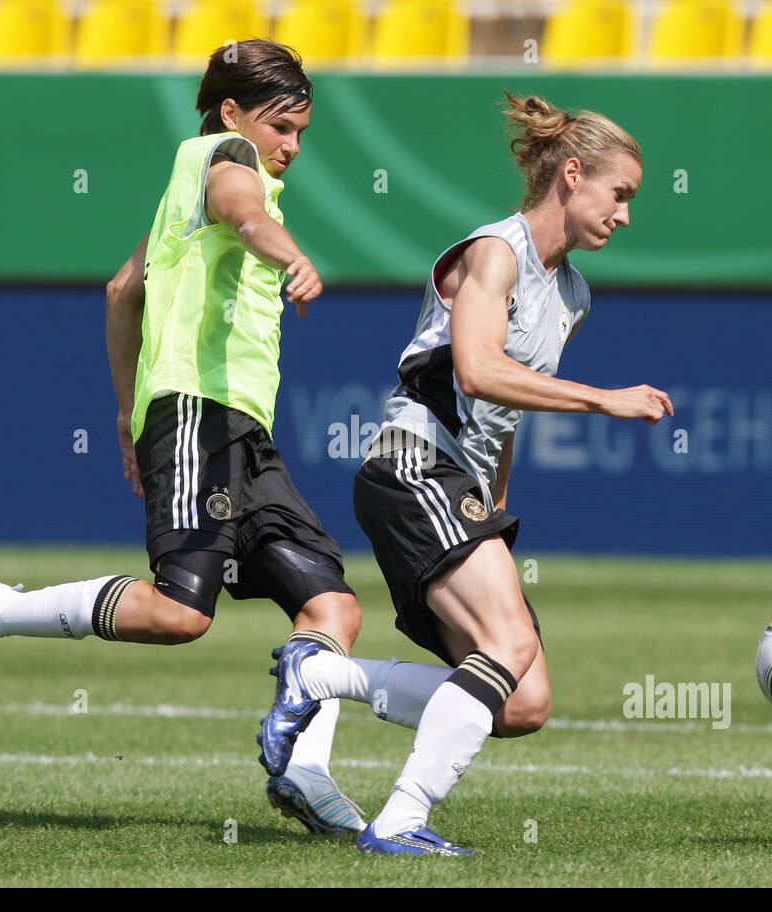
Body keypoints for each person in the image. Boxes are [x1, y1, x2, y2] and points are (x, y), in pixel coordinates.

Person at [0, 39, 367, 838]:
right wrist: (293, 257)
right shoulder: (224, 161)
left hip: (237, 429)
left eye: (302, 133)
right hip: (197, 411)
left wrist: (125, 415)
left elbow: (124, 292)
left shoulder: (182, 198)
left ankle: (304, 770)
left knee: (331, 605)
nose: (293, 147)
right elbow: (246, 214)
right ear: (232, 114)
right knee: (183, 614)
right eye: (282, 127)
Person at [258, 92, 674, 855]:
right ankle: (401, 820)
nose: (625, 215)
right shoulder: (494, 251)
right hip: (412, 465)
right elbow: (480, 372)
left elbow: (505, 408)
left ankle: (321, 680)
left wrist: (497, 503)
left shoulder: (572, 294)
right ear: (573, 175)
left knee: (523, 701)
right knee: (510, 646)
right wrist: (602, 401)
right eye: (621, 195)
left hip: (457, 486)